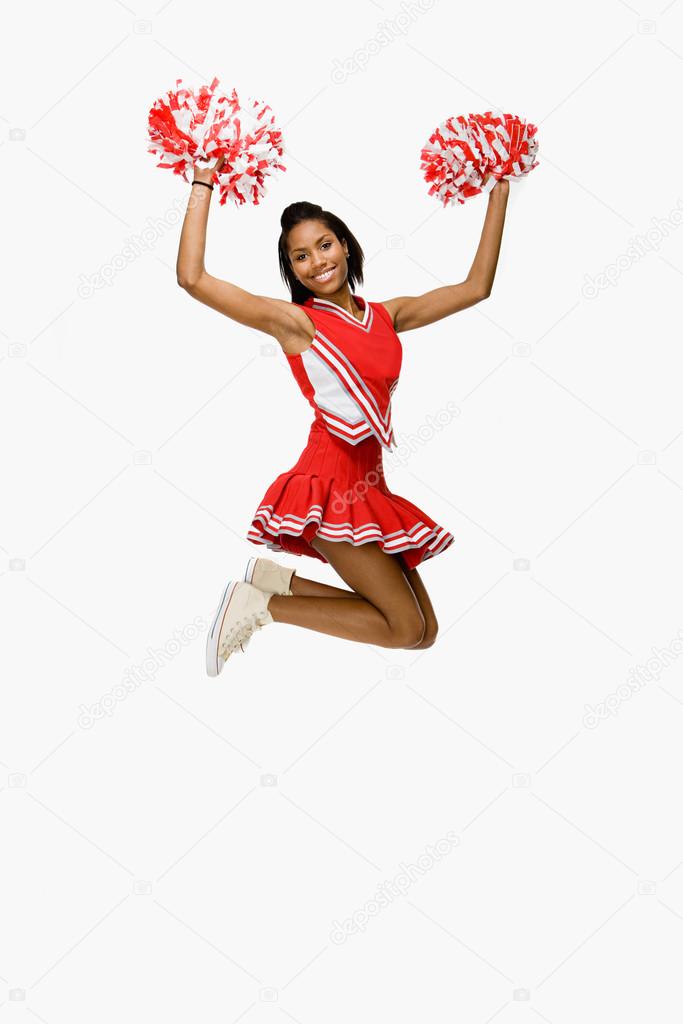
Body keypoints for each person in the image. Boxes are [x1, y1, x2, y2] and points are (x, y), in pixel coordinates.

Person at [176, 156, 509, 675]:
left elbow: (475, 288)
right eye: (301, 256)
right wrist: (203, 180)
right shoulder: (296, 323)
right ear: (293, 269)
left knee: (423, 633)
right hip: (327, 486)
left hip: (371, 486)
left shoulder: (386, 315)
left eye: (324, 245)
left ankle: (273, 583)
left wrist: (499, 191)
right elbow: (193, 279)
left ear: (346, 245)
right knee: (401, 628)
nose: (317, 262)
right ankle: (265, 607)